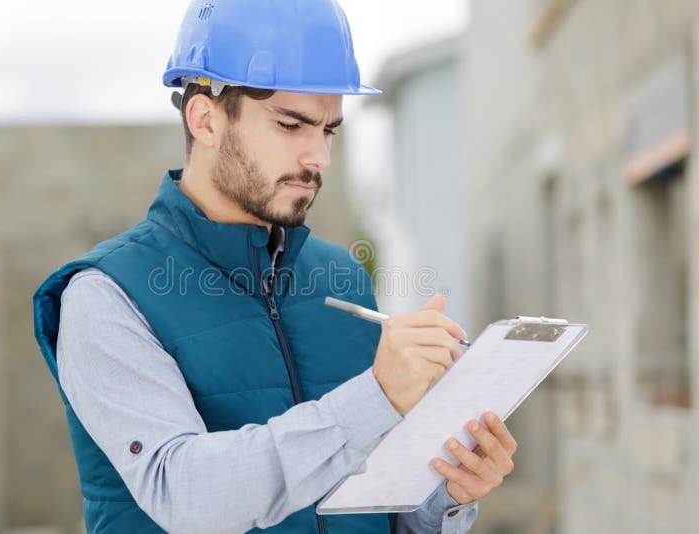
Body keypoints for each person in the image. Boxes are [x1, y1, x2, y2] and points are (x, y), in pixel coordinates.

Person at [33, 1, 517, 532]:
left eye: (328, 131)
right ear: (206, 119)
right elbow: (183, 494)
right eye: (291, 125)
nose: (319, 157)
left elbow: (375, 511)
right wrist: (377, 395)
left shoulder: (341, 276)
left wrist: (445, 493)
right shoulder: (107, 295)